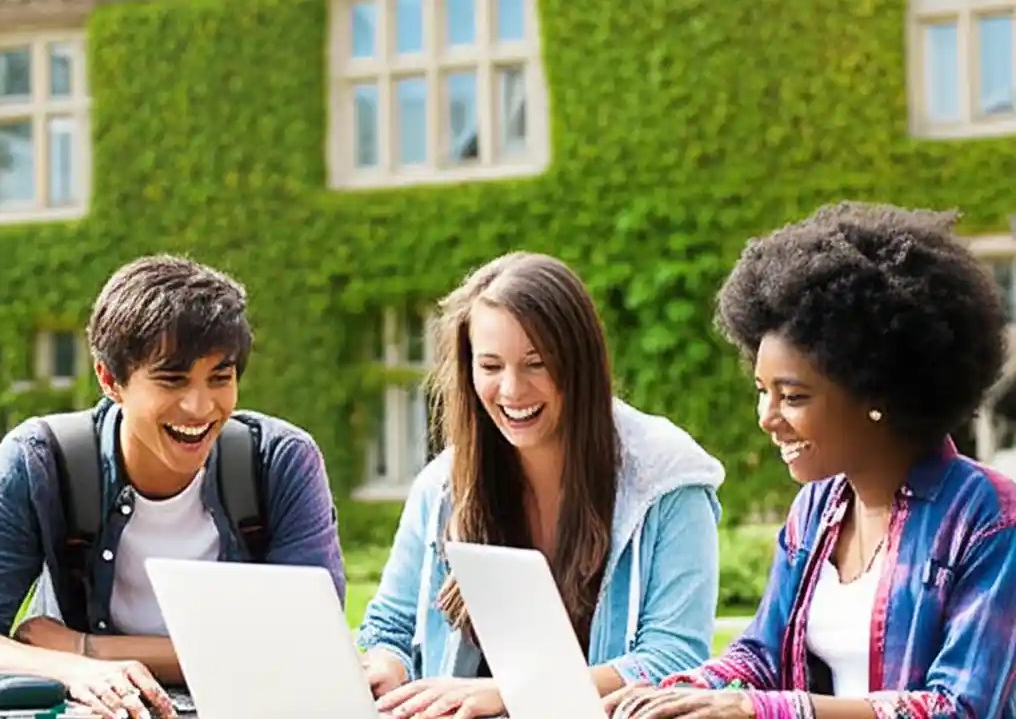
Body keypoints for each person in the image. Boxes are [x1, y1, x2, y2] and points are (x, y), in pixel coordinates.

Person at [605, 202, 1016, 718]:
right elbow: (761, 654)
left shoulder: (990, 521)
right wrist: (677, 692)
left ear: (876, 391)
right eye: (762, 391)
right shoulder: (816, 509)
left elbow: (960, 708)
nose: (766, 417)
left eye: (793, 397)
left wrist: (764, 711)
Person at [0, 255, 345, 719]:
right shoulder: (41, 460)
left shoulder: (280, 460)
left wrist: (87, 649)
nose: (200, 406)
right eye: (172, 379)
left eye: (220, 378)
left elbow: (308, 647)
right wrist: (71, 670)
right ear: (110, 380)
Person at [356, 251, 726, 719]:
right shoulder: (444, 486)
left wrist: (513, 692)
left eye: (536, 364)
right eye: (490, 367)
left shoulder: (667, 480)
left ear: (580, 362)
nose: (511, 391)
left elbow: (675, 659)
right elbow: (388, 625)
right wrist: (386, 665)